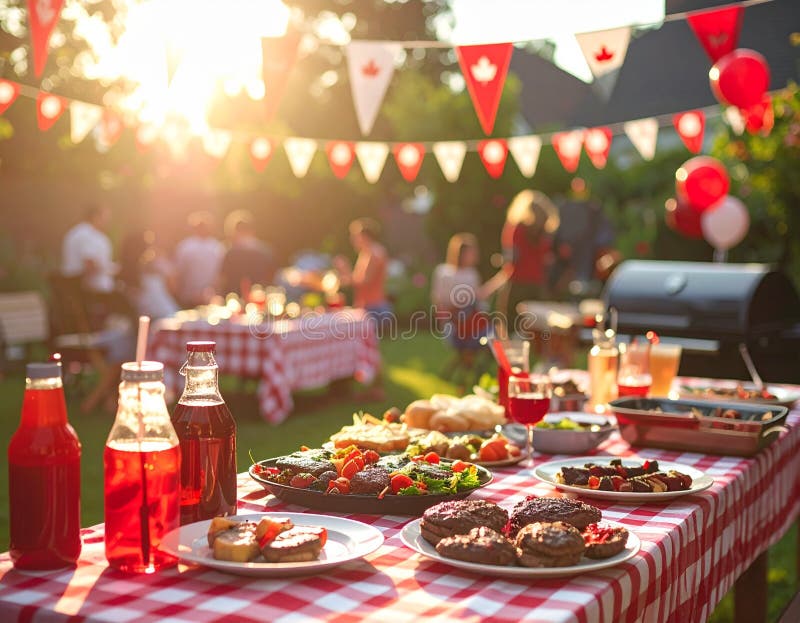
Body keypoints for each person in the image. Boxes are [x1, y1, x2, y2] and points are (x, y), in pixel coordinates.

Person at [431, 233, 496, 387]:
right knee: (494, 336)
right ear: (462, 254)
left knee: (489, 331)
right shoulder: (464, 275)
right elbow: (478, 300)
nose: (475, 255)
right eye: (472, 252)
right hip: (458, 329)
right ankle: (476, 371)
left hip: (460, 326)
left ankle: (470, 366)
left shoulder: (445, 272)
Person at [495, 189, 560, 336]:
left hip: (517, 284)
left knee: (510, 326)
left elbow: (512, 257)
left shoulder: (516, 229)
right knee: (536, 328)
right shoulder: (545, 234)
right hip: (537, 285)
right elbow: (546, 259)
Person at [334, 218, 391, 321]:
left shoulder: (372, 254)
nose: (352, 239)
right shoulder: (370, 252)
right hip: (373, 304)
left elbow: (365, 280)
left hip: (373, 306)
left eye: (355, 236)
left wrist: (345, 270)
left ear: (364, 236)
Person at [119, 230, 179, 320]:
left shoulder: (150, 268)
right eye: (147, 245)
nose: (151, 248)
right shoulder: (138, 274)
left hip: (168, 316)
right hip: (158, 320)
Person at [172, 211, 225, 308]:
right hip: (192, 298)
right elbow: (178, 274)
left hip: (209, 298)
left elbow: (220, 275)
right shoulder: (186, 247)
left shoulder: (217, 247)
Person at [218, 210, 275, 297]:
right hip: (258, 294)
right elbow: (271, 275)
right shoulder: (265, 250)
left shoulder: (229, 251)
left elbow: (222, 277)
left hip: (234, 297)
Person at [61, 204, 117, 293]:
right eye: (105, 217)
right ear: (95, 216)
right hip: (90, 290)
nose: (108, 221)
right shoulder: (89, 235)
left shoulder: (76, 232)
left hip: (74, 286)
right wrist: (111, 269)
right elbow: (89, 265)